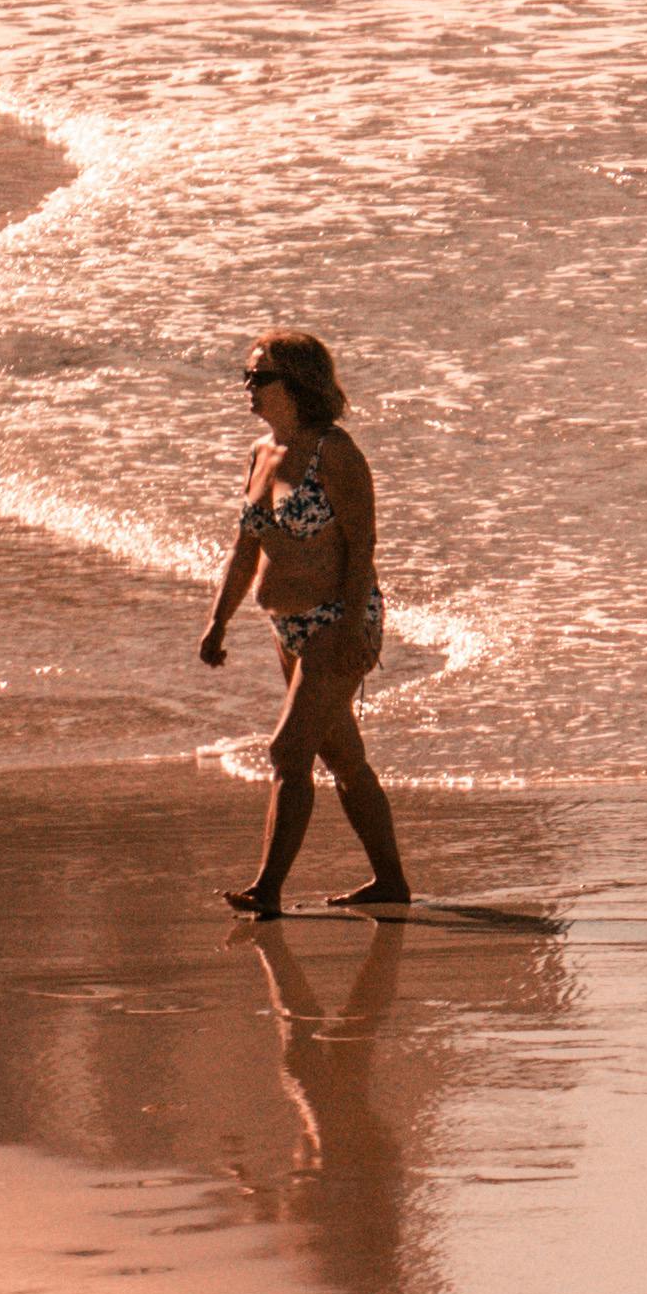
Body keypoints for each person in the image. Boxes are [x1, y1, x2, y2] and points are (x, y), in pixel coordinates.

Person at [199, 329, 409, 922]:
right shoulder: (263, 455)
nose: (247, 387)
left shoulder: (335, 453)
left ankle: (267, 889)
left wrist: (346, 631)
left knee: (288, 752)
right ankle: (390, 880)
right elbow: (245, 548)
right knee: (341, 756)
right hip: (286, 628)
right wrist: (218, 622)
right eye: (247, 376)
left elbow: (362, 545)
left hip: (339, 622)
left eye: (258, 377)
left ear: (296, 384)